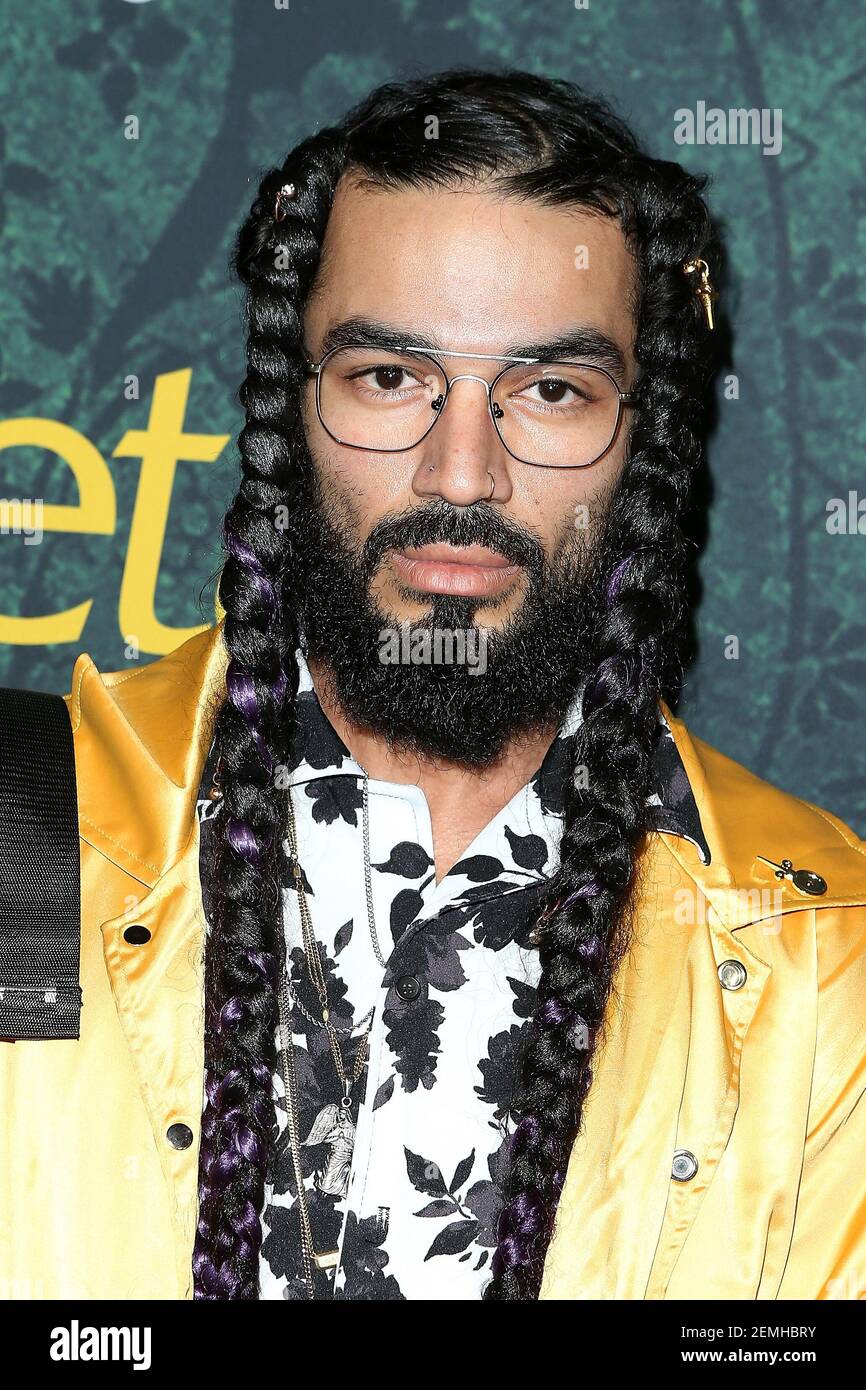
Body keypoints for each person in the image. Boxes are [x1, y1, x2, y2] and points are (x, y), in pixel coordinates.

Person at [3, 68, 865, 1303]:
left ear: (643, 445)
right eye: (390, 379)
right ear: (287, 414)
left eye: (551, 391)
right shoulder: (24, 843)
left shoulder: (819, 960)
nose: (461, 473)